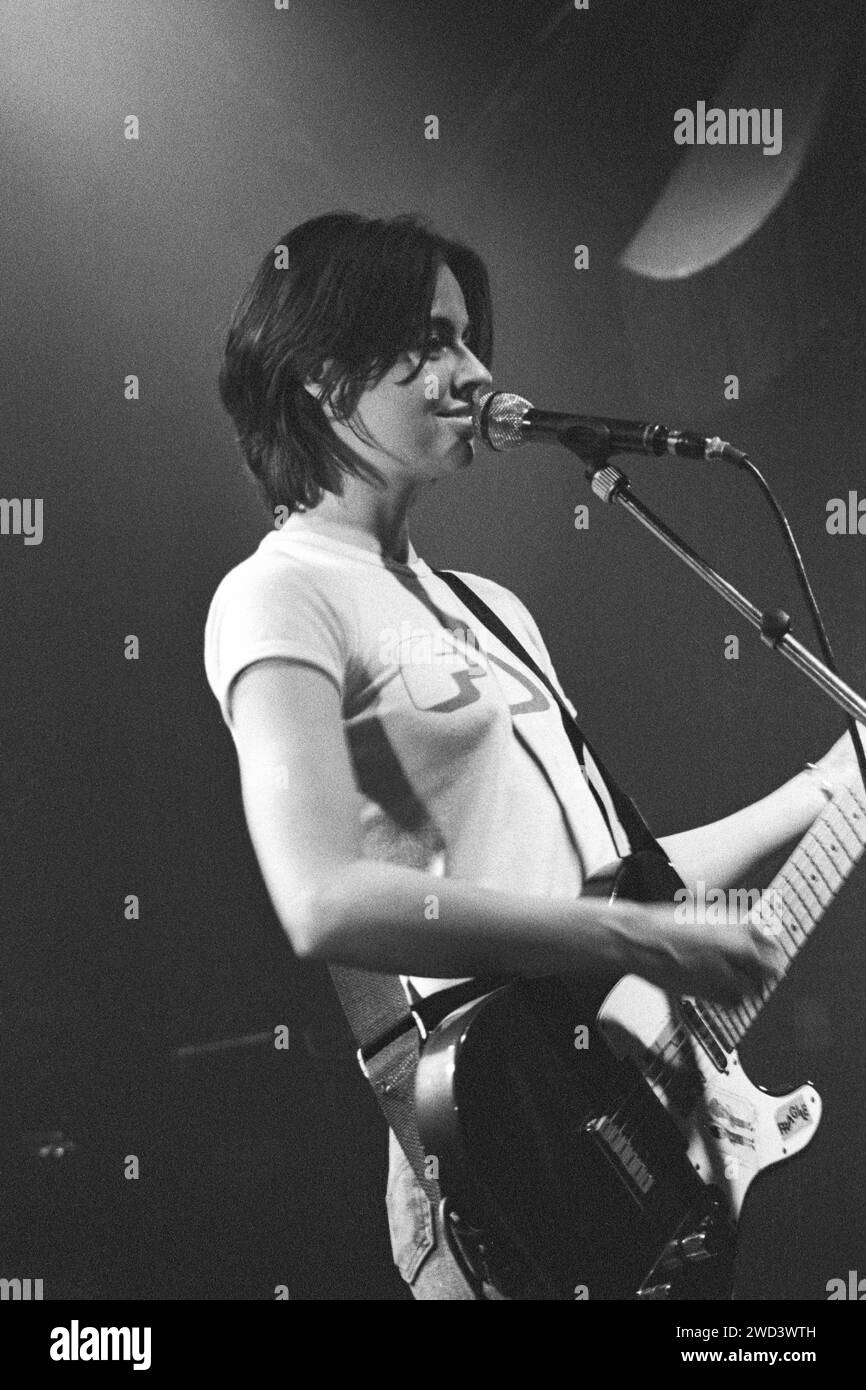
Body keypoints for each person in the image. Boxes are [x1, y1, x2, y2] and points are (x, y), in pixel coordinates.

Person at [204, 210, 865, 1299]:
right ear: (324, 382)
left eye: (472, 337)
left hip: (612, 1118)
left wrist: (826, 790)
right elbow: (321, 899)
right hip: (497, 1143)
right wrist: (634, 936)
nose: (476, 370)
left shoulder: (491, 608)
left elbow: (613, 874)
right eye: (433, 338)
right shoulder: (280, 592)